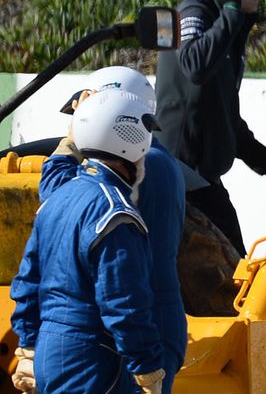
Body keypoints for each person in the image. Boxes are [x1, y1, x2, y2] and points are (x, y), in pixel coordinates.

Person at [26, 67, 189, 394]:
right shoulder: (158, 160)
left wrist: (73, 137)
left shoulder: (143, 164)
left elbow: (58, 198)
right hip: (151, 315)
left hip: (141, 322)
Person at [155, 0, 266, 257]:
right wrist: (230, 13)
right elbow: (194, 65)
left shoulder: (229, 28)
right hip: (177, 175)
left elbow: (223, 112)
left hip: (200, 178)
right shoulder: (195, 13)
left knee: (230, 265)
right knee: (230, 269)